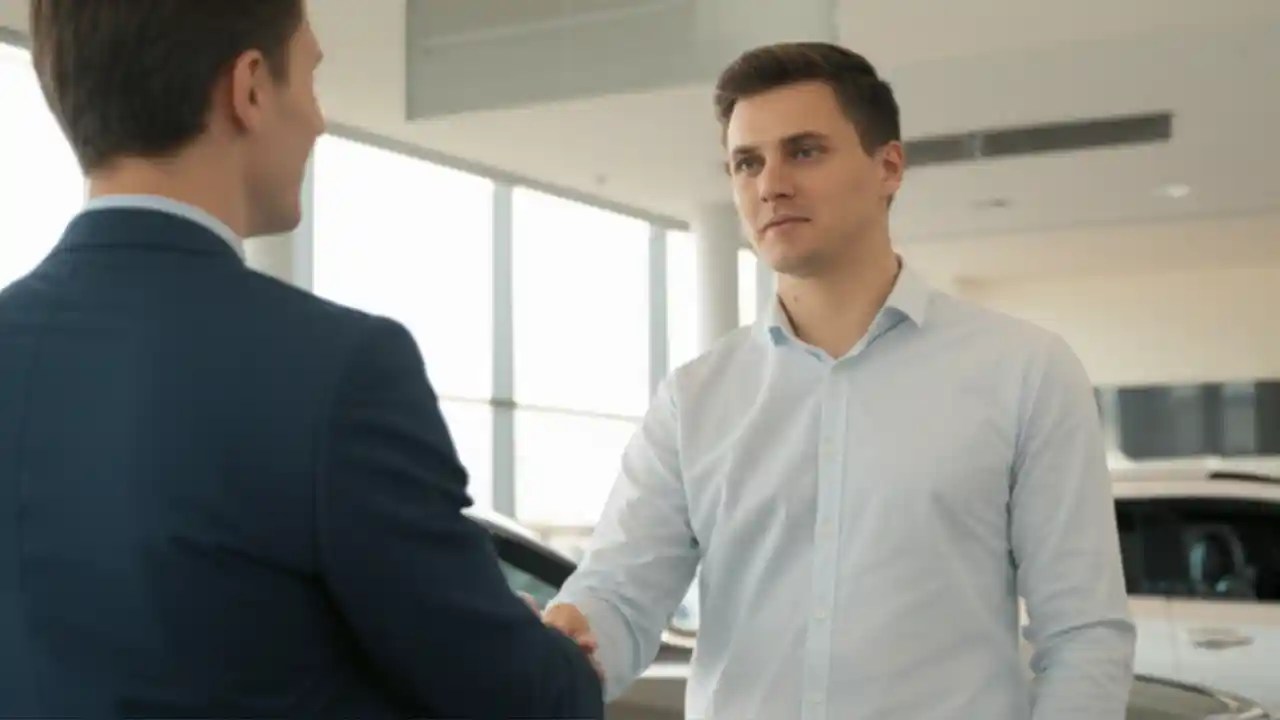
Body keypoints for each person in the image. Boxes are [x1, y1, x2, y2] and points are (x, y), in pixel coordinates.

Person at [0, 2, 602, 718]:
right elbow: (513, 697)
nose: (318, 119)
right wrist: (563, 664)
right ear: (250, 87)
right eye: (311, 80)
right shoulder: (340, 371)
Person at [543, 42, 1135, 719]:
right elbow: (619, 595)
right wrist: (569, 636)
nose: (770, 184)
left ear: (888, 166)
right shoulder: (695, 398)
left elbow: (1084, 635)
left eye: (804, 151)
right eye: (747, 162)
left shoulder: (1024, 372)